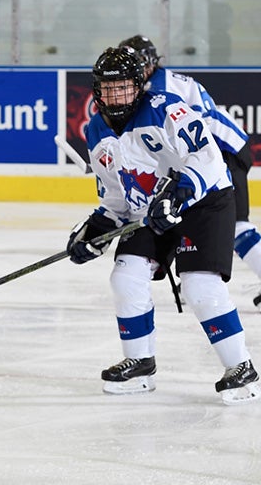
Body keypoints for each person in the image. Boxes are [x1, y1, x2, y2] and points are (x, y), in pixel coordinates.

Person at [66, 47, 259, 404]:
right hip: (153, 209)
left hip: (204, 201)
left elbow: (207, 158)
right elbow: (116, 197)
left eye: (123, 87)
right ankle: (140, 362)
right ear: (97, 91)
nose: (115, 96)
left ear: (138, 86)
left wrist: (181, 192)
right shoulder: (96, 131)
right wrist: (94, 230)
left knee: (199, 286)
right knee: (125, 276)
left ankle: (241, 367)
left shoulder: (166, 107)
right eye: (108, 89)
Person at [118, 35, 260, 307]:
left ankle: (200, 275)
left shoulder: (162, 88)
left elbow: (195, 138)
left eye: (138, 62)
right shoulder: (153, 85)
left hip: (222, 152)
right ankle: (197, 271)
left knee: (235, 226)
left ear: (149, 63)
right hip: (213, 152)